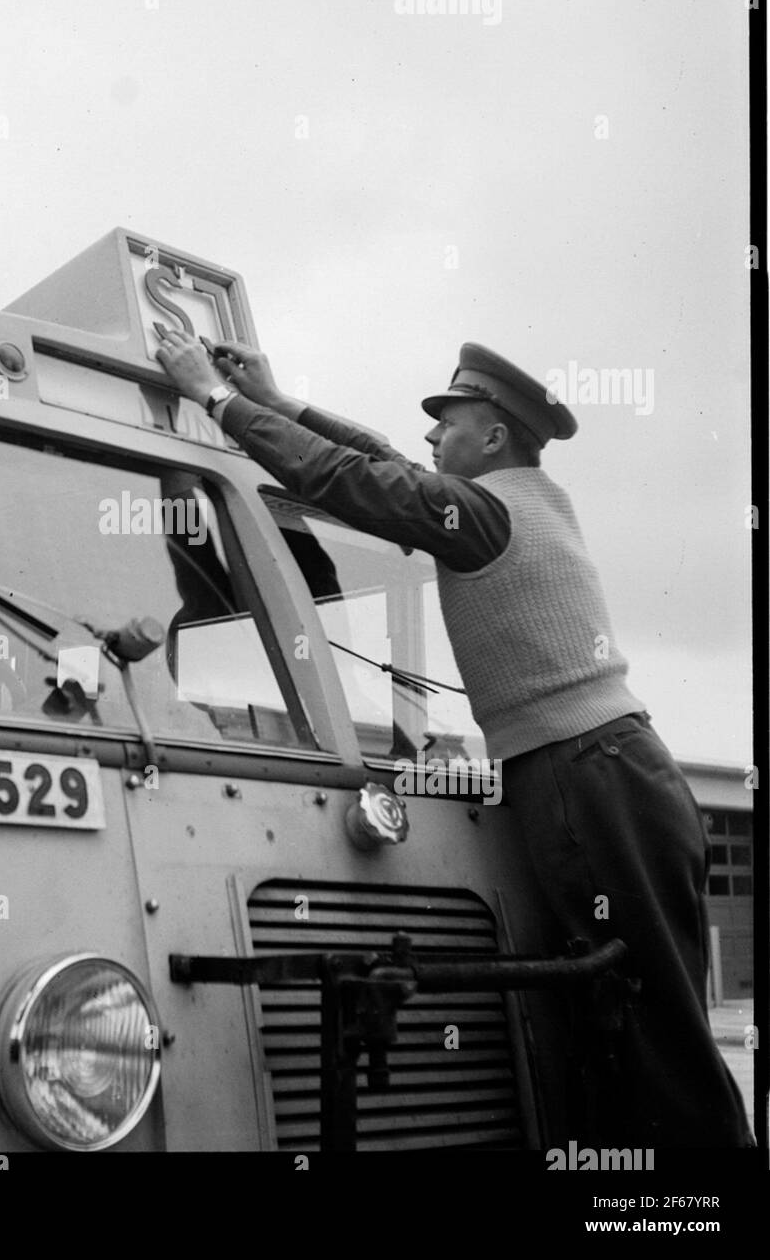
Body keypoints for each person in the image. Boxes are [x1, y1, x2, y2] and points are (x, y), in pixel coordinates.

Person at [154, 329, 753, 1150]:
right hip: (612, 768)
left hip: (585, 773)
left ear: (493, 437)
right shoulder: (524, 501)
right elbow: (385, 462)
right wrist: (277, 400)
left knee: (650, 1030)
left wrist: (217, 399)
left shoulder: (482, 513)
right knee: (630, 1010)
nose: (432, 434)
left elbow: (355, 480)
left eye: (449, 422)